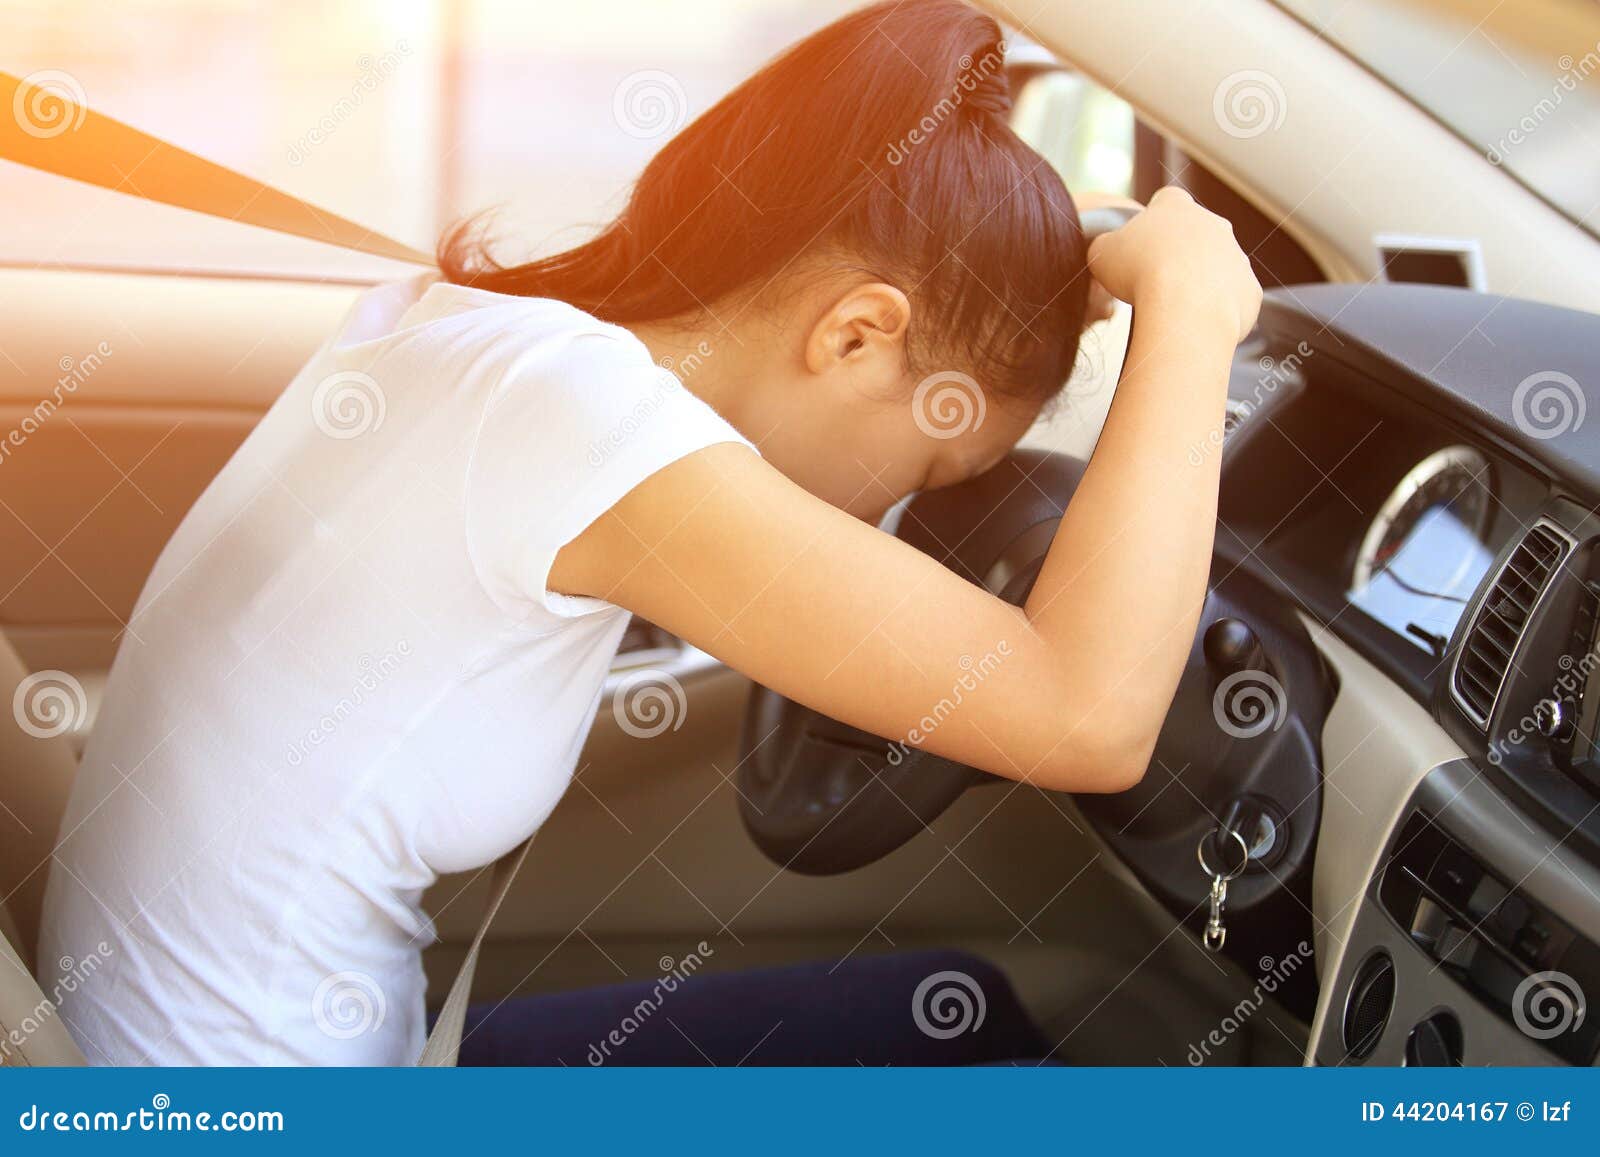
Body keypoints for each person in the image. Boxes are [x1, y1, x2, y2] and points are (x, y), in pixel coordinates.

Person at [40, 0, 1260, 1065]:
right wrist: (1193, 317)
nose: (893, 512)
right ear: (854, 333)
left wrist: (1029, 276)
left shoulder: (469, 330)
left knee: (967, 1014)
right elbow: (1090, 716)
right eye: (937, 456)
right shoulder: (590, 432)